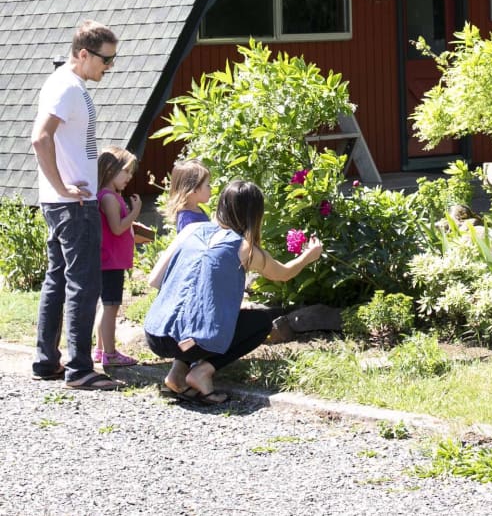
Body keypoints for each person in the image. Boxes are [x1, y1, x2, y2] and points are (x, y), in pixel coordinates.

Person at [144, 179, 322, 404]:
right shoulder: (244, 248)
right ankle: (202, 373)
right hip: (193, 343)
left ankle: (177, 374)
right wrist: (309, 256)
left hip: (155, 334)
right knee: (260, 323)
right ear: (254, 214)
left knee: (194, 321)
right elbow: (283, 273)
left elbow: (154, 280)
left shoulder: (191, 229)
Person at [30, 19, 120, 390]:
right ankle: (80, 369)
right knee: (84, 283)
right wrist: (63, 187)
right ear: (83, 54)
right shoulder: (66, 87)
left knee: (57, 278)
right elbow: (40, 138)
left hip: (64, 203)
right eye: (105, 59)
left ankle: (46, 361)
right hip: (73, 206)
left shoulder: (67, 84)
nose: (109, 67)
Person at [94, 147, 142, 367]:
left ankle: (100, 350)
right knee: (111, 307)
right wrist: (134, 212)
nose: (129, 177)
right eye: (126, 172)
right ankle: (110, 354)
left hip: (110, 261)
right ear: (110, 169)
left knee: (106, 306)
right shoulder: (109, 198)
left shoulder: (109, 196)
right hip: (111, 261)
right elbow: (117, 227)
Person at [164, 159, 212, 233]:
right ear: (194, 189)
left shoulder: (196, 209)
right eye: (208, 185)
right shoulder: (187, 219)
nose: (211, 188)